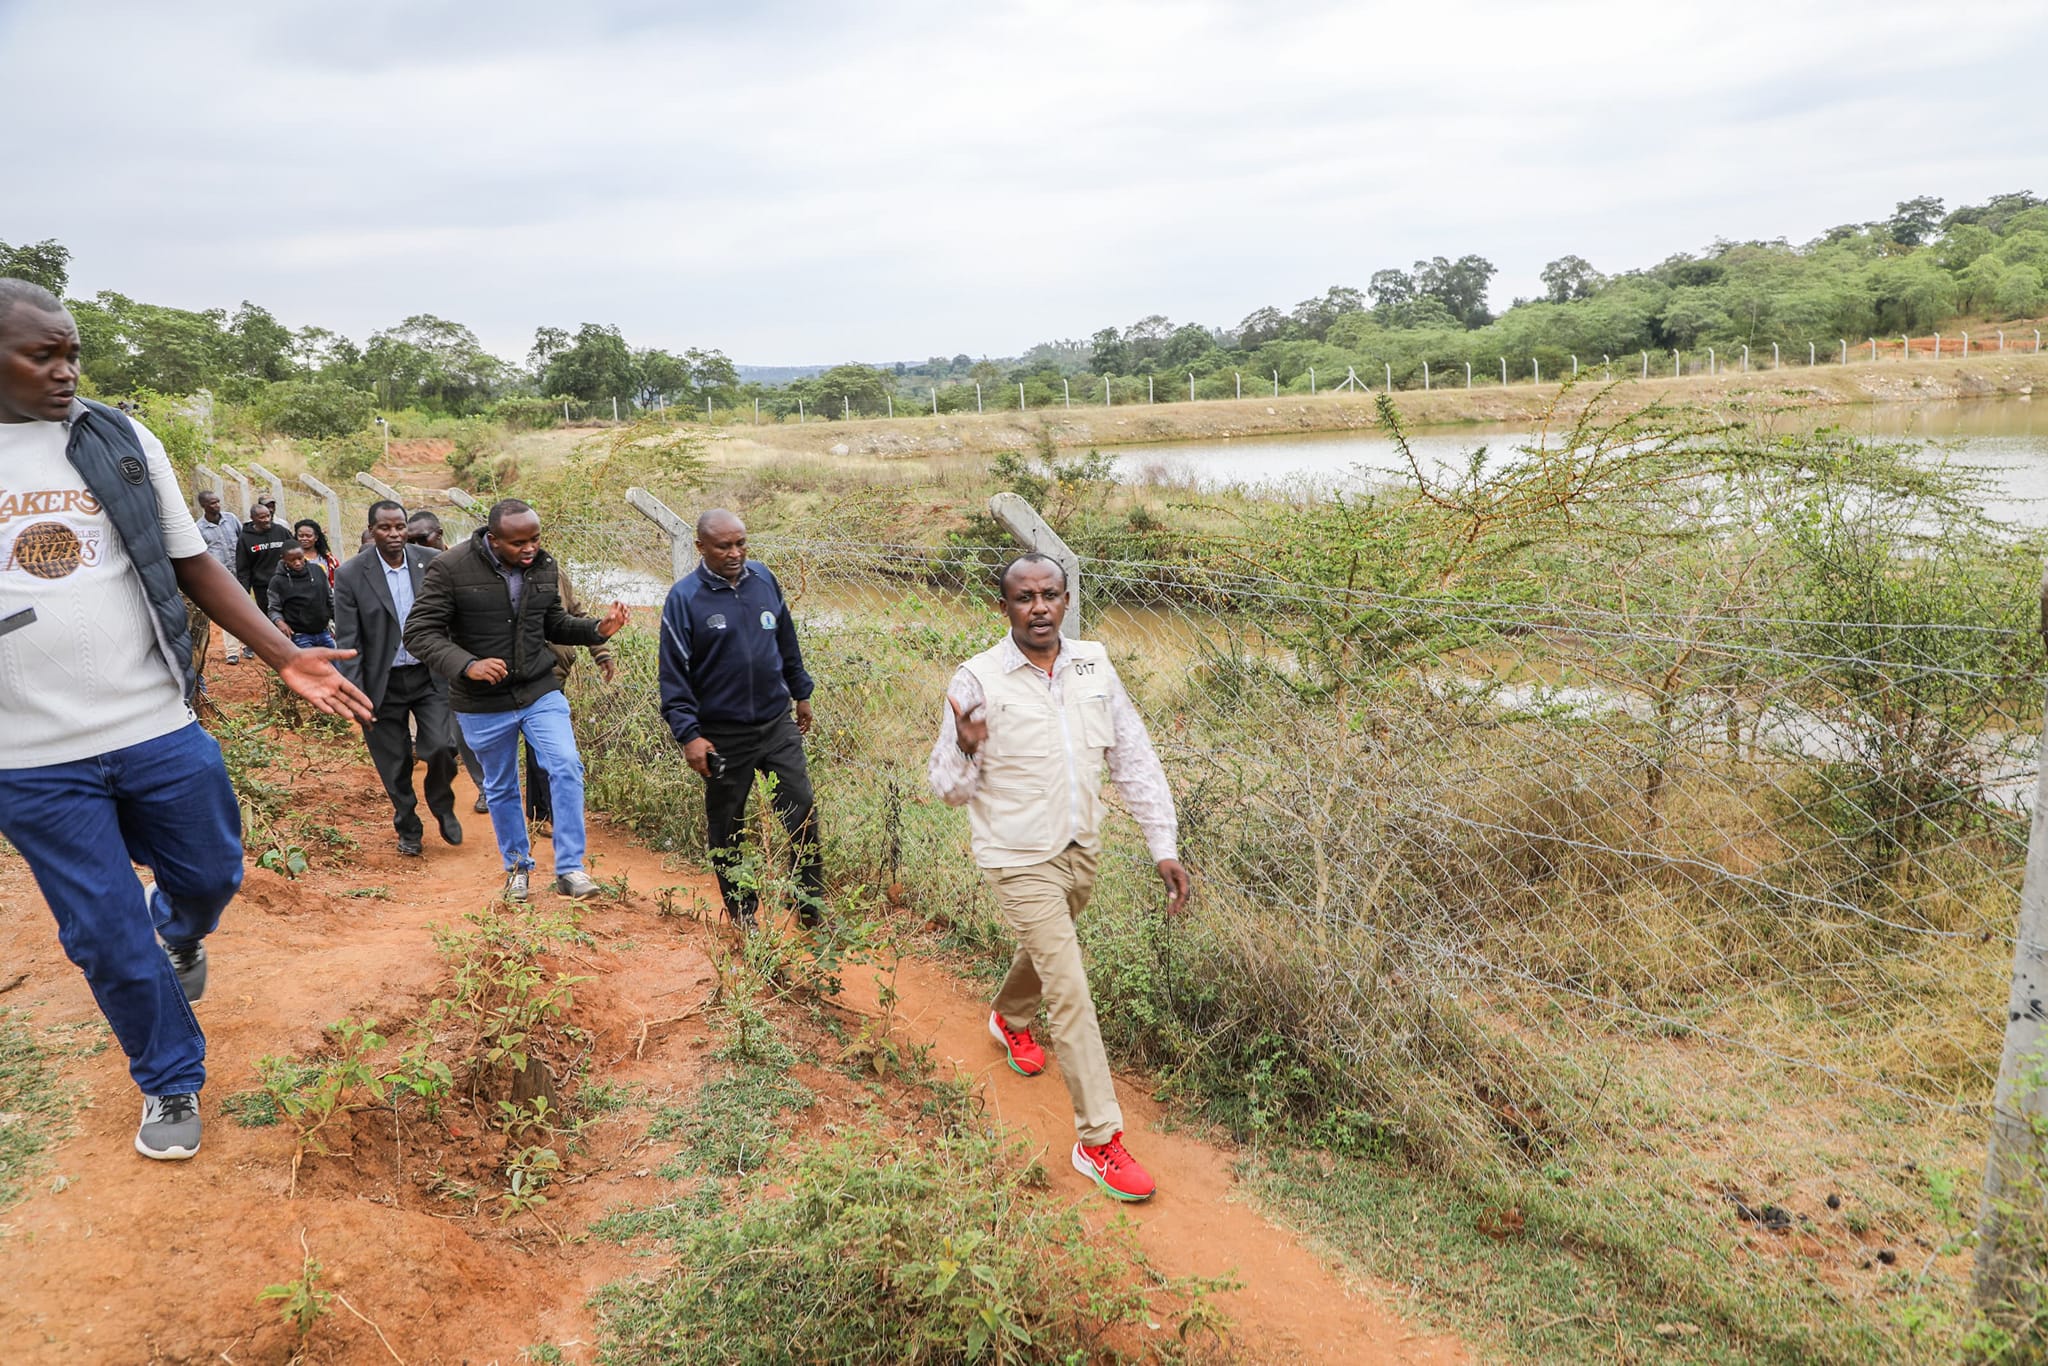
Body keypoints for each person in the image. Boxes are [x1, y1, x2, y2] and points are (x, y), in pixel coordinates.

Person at [0, 279, 370, 1163]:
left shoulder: (115, 438)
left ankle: (183, 929)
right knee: (101, 934)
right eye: (42, 354)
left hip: (154, 721)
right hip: (31, 759)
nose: (66, 370)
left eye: (72, 351)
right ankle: (169, 1078)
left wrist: (285, 656)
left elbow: (192, 560)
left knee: (210, 873)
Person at [928, 552, 1190, 1203]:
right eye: (1024, 597)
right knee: (1070, 985)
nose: (1038, 606)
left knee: (1050, 951)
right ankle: (1098, 1140)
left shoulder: (1094, 665)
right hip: (1015, 858)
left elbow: (1133, 755)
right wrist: (964, 744)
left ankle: (1009, 1015)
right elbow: (946, 789)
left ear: (1066, 600)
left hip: (1079, 852)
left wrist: (1163, 845)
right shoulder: (978, 679)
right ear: (1004, 607)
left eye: (1050, 594)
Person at [403, 498, 628, 902]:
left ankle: (571, 869)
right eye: (519, 542)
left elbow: (553, 622)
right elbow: (419, 633)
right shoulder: (450, 568)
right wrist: (467, 664)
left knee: (566, 765)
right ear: (493, 539)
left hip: (539, 689)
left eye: (535, 539)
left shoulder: (544, 565)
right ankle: (518, 867)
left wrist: (598, 629)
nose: (530, 549)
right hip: (481, 701)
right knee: (502, 785)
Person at [658, 508, 824, 930]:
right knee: (729, 825)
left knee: (801, 810)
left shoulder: (764, 580)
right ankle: (743, 914)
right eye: (724, 546)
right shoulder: (685, 599)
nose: (735, 554)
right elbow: (673, 675)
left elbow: (786, 640)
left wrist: (800, 693)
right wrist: (689, 735)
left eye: (740, 544)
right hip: (722, 735)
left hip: (775, 723)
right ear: (701, 548)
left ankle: (808, 907)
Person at [334, 500, 461, 858]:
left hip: (428, 675)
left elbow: (451, 618)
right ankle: (408, 824)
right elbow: (349, 641)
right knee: (395, 761)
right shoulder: (351, 575)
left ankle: (442, 802)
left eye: (400, 527)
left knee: (440, 746)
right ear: (372, 530)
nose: (394, 534)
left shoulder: (431, 562)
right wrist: (356, 694)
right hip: (381, 682)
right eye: (386, 528)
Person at [406, 509, 489, 813]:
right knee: (453, 732)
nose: (415, 544)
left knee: (473, 730)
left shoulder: (463, 564)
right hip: (428, 661)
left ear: (438, 534)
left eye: (421, 538)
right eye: (410, 539)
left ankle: (487, 787)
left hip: (465, 659)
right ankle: (482, 787)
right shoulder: (410, 568)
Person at [527, 565, 615, 832]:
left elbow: (575, 615)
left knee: (540, 747)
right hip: (532, 672)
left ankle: (539, 812)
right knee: (544, 747)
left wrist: (600, 651)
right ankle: (547, 815)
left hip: (558, 671)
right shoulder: (510, 578)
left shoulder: (554, 572)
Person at [194, 490, 242, 663]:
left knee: (247, 608)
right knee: (229, 612)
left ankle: (250, 646)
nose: (217, 505)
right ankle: (232, 651)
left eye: (217, 502)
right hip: (221, 578)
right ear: (204, 506)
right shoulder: (199, 528)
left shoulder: (231, 519)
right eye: (212, 503)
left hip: (240, 572)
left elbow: (242, 540)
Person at [267, 544, 336, 649]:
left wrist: (339, 618)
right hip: (299, 636)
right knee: (309, 665)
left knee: (335, 664)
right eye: (292, 560)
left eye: (300, 558)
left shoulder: (317, 571)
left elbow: (330, 598)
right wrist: (280, 622)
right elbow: (273, 609)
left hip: (324, 632)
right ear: (284, 559)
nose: (297, 563)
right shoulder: (277, 581)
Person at [234, 499, 291, 622]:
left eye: (268, 516)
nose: (266, 520)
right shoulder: (245, 538)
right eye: (262, 517)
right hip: (263, 588)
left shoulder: (281, 531)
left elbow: (294, 550)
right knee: (271, 619)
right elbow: (243, 568)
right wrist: (244, 594)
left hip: (285, 582)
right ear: (253, 518)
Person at [293, 517, 339, 586]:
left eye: (308, 536)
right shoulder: (291, 559)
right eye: (301, 536)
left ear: (316, 537)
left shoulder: (329, 559)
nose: (304, 539)